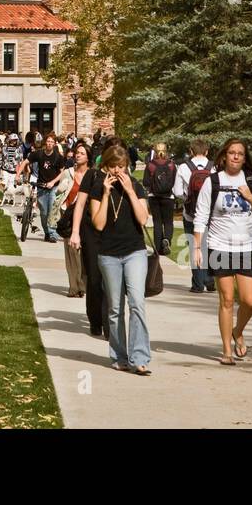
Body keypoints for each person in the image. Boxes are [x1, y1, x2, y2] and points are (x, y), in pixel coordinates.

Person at [193, 139, 252, 365]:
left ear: (245, 158)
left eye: (240, 154)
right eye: (232, 153)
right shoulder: (213, 181)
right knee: (227, 299)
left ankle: (238, 331)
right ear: (224, 156)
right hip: (220, 246)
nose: (236, 157)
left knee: (249, 301)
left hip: (247, 247)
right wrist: (197, 246)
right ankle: (227, 350)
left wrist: (250, 197)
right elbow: (200, 215)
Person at [88, 141, 152, 375]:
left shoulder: (136, 186)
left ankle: (140, 357)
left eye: (122, 166)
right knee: (115, 308)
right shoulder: (98, 187)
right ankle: (119, 355)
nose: (117, 171)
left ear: (128, 167)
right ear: (106, 166)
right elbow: (99, 223)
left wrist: (131, 192)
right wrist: (105, 194)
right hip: (108, 254)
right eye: (113, 166)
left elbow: (143, 219)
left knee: (137, 303)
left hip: (135, 251)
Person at [174, 139, 215, 293]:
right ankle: (209, 280)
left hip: (190, 213)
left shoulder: (184, 167)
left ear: (190, 151)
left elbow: (177, 191)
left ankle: (198, 284)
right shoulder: (213, 168)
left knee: (194, 246)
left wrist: (188, 198)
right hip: (210, 214)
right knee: (209, 245)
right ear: (207, 151)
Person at [61, 141, 94, 298]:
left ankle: (83, 283)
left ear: (88, 157)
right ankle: (74, 287)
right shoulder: (68, 173)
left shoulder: (93, 175)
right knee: (71, 253)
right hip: (69, 217)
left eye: (81, 153)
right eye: (77, 153)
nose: (78, 155)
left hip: (87, 219)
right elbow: (60, 193)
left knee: (84, 254)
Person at [27, 132, 66, 242]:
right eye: (48, 141)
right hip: (41, 187)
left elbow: (62, 172)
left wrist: (53, 182)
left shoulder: (58, 157)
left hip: (53, 188)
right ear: (45, 142)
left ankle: (53, 233)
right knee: (43, 213)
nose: (49, 144)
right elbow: (26, 161)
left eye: (51, 142)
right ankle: (47, 233)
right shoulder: (39, 154)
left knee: (52, 211)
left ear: (54, 144)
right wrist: (17, 175)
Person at [142, 142, 178, 256]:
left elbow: (146, 182)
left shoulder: (150, 165)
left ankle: (157, 249)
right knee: (168, 222)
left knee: (157, 222)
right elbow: (174, 181)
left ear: (155, 151)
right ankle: (167, 239)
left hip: (154, 196)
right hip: (168, 196)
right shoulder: (171, 165)